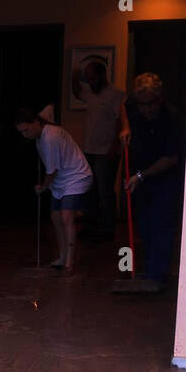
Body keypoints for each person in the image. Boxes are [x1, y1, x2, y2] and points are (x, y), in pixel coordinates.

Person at [122, 73, 183, 292]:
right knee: (145, 225)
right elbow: (123, 107)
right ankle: (148, 270)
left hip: (165, 177)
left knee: (161, 224)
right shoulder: (133, 107)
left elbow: (171, 158)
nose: (147, 109)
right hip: (141, 177)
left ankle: (156, 276)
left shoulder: (171, 117)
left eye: (151, 104)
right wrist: (126, 127)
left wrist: (140, 176)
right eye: (142, 105)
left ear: (160, 99)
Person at [14, 105, 92, 276]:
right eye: (21, 132)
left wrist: (42, 187)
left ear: (35, 123)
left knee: (66, 215)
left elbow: (52, 170)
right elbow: (48, 109)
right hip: (61, 179)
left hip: (76, 175)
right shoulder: (41, 130)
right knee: (55, 217)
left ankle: (69, 263)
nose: (25, 135)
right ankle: (63, 256)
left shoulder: (50, 137)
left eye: (26, 130)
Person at [71, 61, 130, 239]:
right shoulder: (90, 93)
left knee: (105, 191)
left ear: (103, 76)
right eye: (88, 78)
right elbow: (77, 91)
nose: (90, 81)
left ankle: (107, 228)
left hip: (107, 151)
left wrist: (115, 146)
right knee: (90, 189)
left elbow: (121, 120)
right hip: (89, 149)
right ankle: (90, 225)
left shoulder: (116, 95)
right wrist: (74, 75)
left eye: (93, 78)